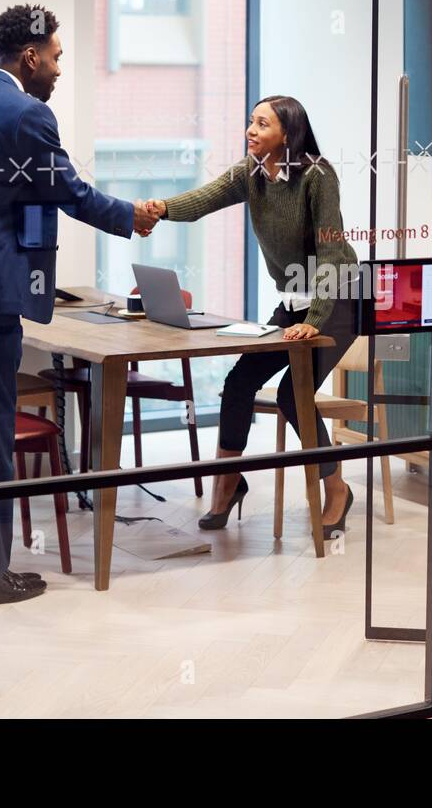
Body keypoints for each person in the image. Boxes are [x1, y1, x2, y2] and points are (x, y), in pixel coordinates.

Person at [0, 4, 160, 608]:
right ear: (28, 58)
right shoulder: (28, 112)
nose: (58, 70)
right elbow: (66, 190)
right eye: (55, 58)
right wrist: (129, 217)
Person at [144, 95, 359, 537]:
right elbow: (205, 198)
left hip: (337, 300)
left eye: (262, 124)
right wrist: (161, 209)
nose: (251, 130)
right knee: (239, 381)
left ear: (288, 133)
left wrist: (315, 320)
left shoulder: (318, 177)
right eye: (251, 122)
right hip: (293, 302)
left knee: (290, 394)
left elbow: (333, 252)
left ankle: (336, 488)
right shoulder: (251, 174)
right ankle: (228, 485)